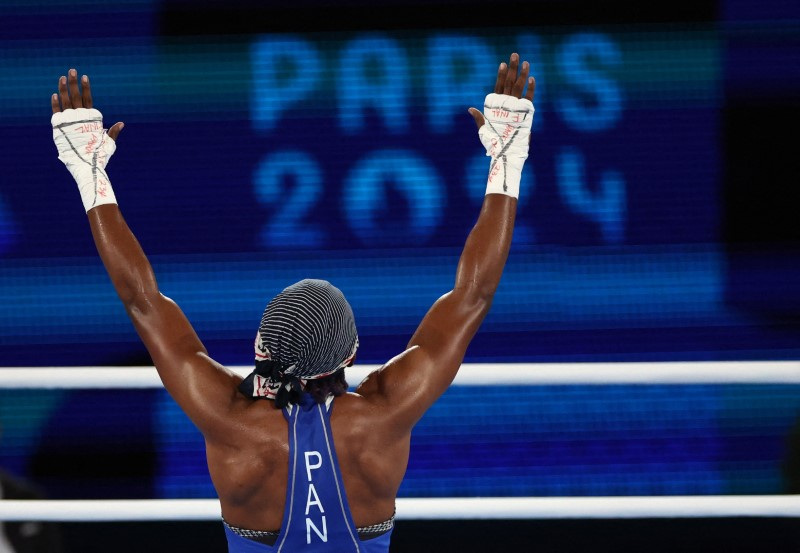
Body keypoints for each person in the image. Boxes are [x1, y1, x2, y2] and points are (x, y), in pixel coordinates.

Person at [50, 53, 535, 551]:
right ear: (349, 355)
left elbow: (142, 301)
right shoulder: (386, 412)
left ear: (262, 343)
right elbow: (472, 296)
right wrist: (507, 160)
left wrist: (90, 175)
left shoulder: (228, 418)